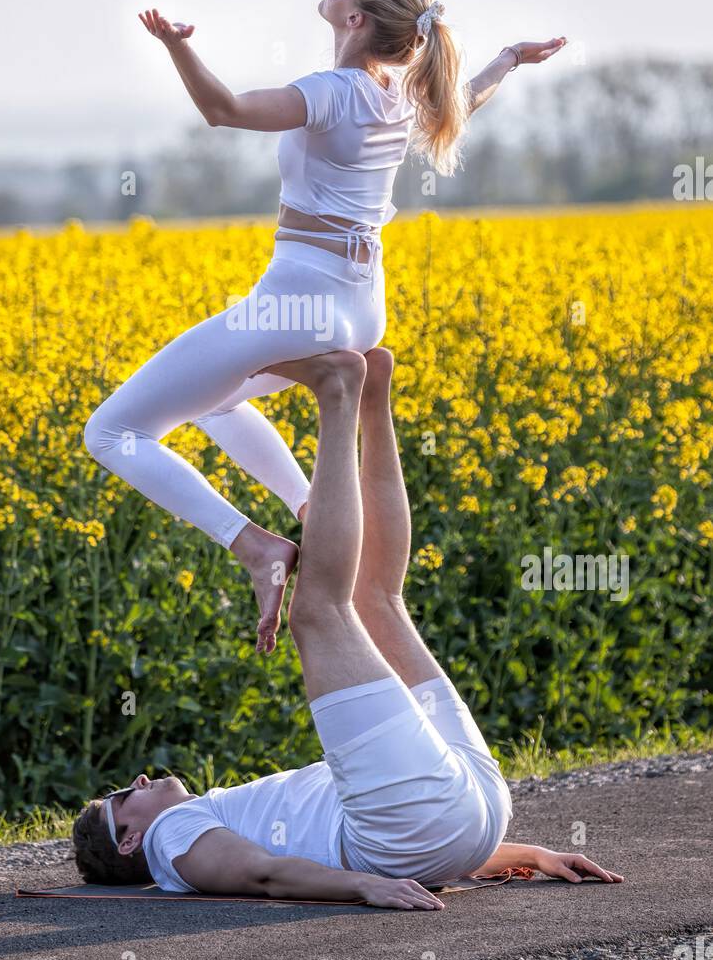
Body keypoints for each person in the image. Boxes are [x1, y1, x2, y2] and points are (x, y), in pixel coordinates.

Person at [84, 0, 567, 651]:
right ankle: (308, 505)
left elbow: (223, 111)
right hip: (362, 307)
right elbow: (462, 100)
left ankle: (256, 549)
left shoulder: (335, 91)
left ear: (355, 16)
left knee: (113, 433)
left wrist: (178, 49)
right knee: (215, 401)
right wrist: (506, 61)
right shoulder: (400, 94)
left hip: (298, 307)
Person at [73, 349, 622, 907]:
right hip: (414, 832)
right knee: (317, 612)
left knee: (375, 599)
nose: (138, 781)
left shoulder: (204, 815)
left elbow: (394, 827)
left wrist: (528, 855)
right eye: (123, 797)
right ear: (129, 842)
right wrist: (362, 885)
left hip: (463, 816)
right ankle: (337, 395)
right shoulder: (171, 841)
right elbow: (263, 875)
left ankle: (370, 396)